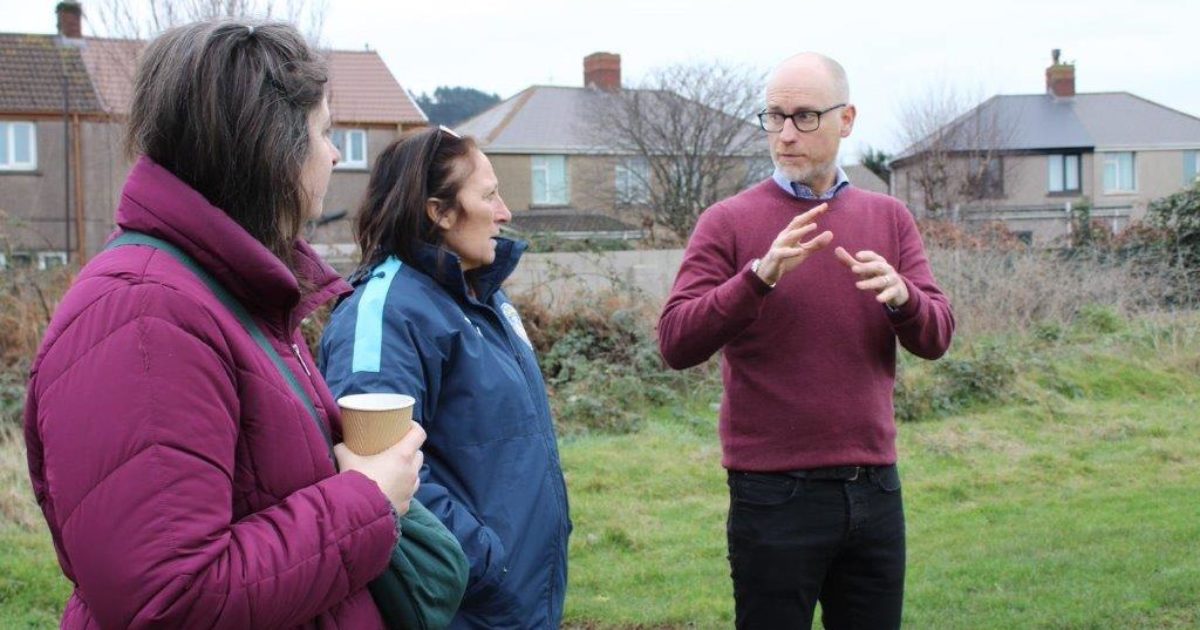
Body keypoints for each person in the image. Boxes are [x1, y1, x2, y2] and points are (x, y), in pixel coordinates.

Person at [23, 19, 427, 628]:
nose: (337, 153)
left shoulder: (225, 291)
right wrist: (367, 500)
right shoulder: (143, 315)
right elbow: (169, 600)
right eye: (324, 131)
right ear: (272, 145)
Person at [657, 52, 955, 629]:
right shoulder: (728, 221)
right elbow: (676, 341)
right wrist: (757, 278)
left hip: (874, 489)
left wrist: (902, 298)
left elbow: (937, 335)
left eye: (804, 116)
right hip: (773, 496)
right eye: (774, 116)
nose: (785, 134)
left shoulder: (889, 217)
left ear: (846, 120)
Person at [319, 127, 571, 629]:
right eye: (488, 194)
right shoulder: (385, 313)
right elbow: (377, 465)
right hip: (465, 605)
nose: (505, 212)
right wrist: (482, 562)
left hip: (519, 597)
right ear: (439, 211)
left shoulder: (483, 297)